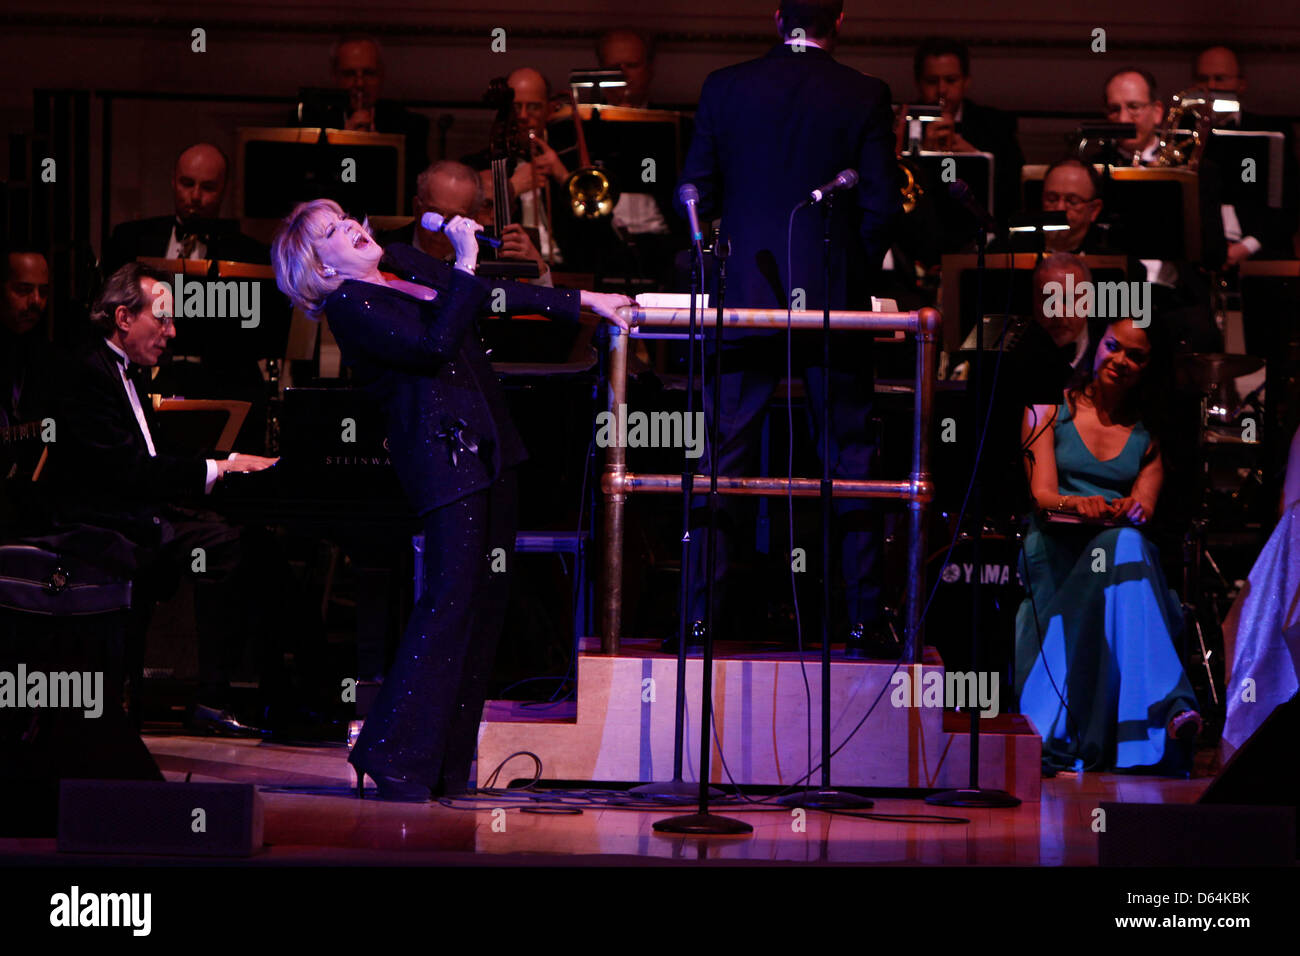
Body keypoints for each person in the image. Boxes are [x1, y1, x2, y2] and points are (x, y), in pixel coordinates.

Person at [270, 198, 630, 800]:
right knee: (449, 601)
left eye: (348, 215)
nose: (355, 225)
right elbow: (432, 345)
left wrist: (581, 303)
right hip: (443, 458)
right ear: (320, 266)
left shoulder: (405, 262)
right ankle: (392, 754)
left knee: (484, 606)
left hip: (490, 445)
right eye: (334, 230)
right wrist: (463, 263)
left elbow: (487, 299)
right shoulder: (349, 306)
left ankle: (443, 766)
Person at [674, 0, 898, 654]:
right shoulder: (864, 92)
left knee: (720, 456)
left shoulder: (725, 85)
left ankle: (697, 622)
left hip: (745, 294)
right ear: (843, 18)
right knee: (850, 458)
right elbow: (881, 206)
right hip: (833, 302)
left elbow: (695, 190)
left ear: (777, 17)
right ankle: (863, 622)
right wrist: (843, 274)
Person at [45, 263, 280, 733]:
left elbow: (156, 452)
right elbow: (129, 471)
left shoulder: (125, 371)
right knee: (227, 545)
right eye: (164, 319)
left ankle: (259, 694)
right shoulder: (86, 373)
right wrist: (217, 470)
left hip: (134, 507)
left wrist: (229, 457)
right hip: (105, 523)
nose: (172, 332)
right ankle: (209, 698)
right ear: (124, 318)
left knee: (257, 539)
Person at [1016, 316, 1202, 774]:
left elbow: (1144, 505)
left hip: (1116, 558)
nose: (1119, 360)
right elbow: (1042, 496)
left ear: (1149, 366)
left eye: (1135, 355)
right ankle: (1170, 707)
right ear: (1097, 346)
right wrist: (1083, 505)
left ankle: (1171, 713)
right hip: (1058, 552)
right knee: (1125, 546)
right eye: (1113, 346)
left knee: (1126, 541)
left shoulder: (1148, 438)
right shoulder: (1046, 412)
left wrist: (1126, 510)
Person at [103, 143, 266, 273]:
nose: (195, 196)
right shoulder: (128, 239)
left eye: (208, 187)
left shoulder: (252, 255)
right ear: (173, 181)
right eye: (187, 184)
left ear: (225, 189)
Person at [912, 37, 1024, 221]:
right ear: (918, 83)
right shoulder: (901, 124)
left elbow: (1012, 189)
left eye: (951, 80)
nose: (942, 89)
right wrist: (922, 158)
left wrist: (977, 159)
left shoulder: (996, 124)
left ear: (966, 81)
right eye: (932, 81)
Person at [330, 35, 431, 213]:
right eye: (349, 74)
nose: (359, 83)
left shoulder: (409, 126)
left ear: (381, 75)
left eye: (368, 74)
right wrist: (343, 146)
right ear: (334, 76)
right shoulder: (311, 124)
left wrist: (379, 154)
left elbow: (415, 194)